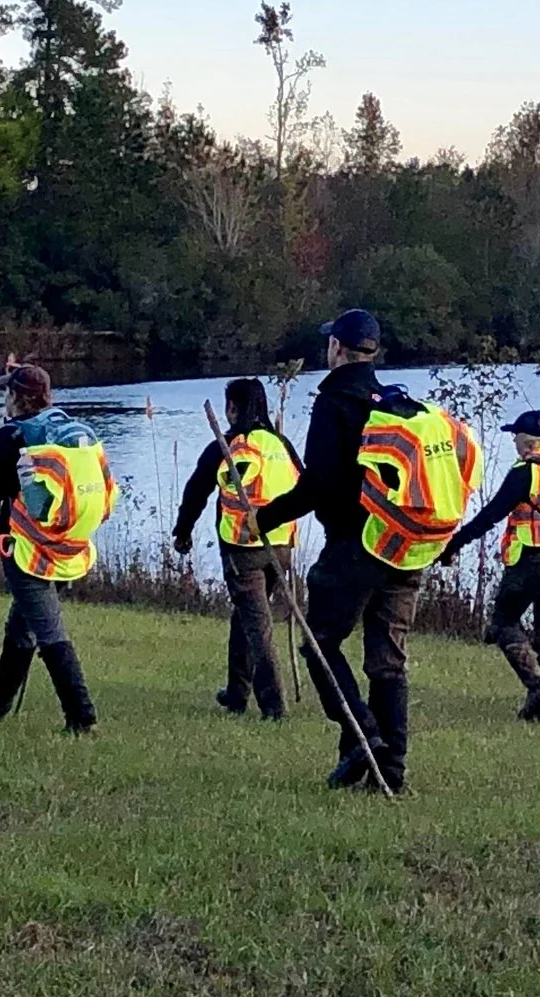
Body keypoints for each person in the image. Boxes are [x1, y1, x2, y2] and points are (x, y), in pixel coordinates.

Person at [253, 309, 421, 792]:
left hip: (354, 546)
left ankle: (365, 736)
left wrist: (265, 517)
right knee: (387, 660)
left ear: (338, 349)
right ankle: (390, 772)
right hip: (403, 545)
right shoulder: (395, 402)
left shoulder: (334, 400)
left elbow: (318, 485)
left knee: (321, 644)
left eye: (330, 342)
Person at [0, 364, 113, 735]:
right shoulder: (73, 432)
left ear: (16, 398)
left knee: (49, 630)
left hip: (28, 551)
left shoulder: (9, 438)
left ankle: (83, 719)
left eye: (8, 393)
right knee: (24, 624)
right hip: (71, 546)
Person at [172, 377, 303, 718]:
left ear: (232, 408)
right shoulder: (281, 443)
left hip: (242, 549)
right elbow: (305, 486)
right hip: (282, 547)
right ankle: (236, 693)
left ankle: (274, 708)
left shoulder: (226, 446)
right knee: (245, 619)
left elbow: (196, 491)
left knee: (258, 627)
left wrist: (182, 531)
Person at [440, 409, 540, 720]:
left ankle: (538, 689)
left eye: (515, 436)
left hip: (534, 559)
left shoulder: (526, 471)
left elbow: (491, 515)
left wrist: (453, 544)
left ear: (527, 441)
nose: (513, 441)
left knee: (503, 623)